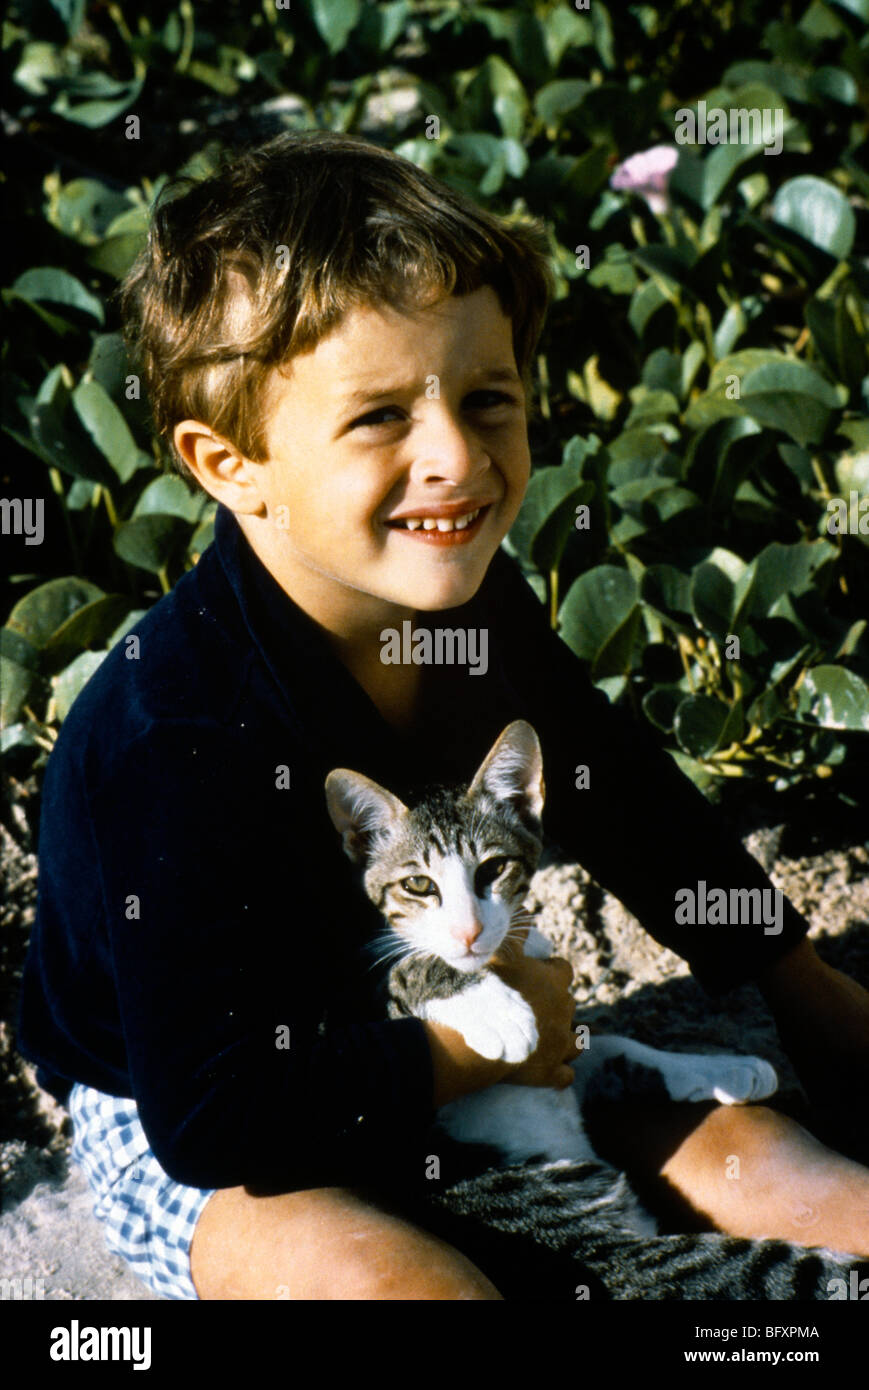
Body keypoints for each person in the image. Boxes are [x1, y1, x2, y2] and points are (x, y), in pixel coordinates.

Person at [17, 131, 869, 1301]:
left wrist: (802, 990)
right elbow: (211, 1113)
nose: (456, 460)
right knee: (404, 1288)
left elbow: (613, 785)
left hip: (464, 998)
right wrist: (467, 1048)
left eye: (486, 397)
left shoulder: (464, 602)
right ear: (228, 463)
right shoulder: (174, 736)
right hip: (222, 1109)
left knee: (794, 1179)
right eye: (378, 419)